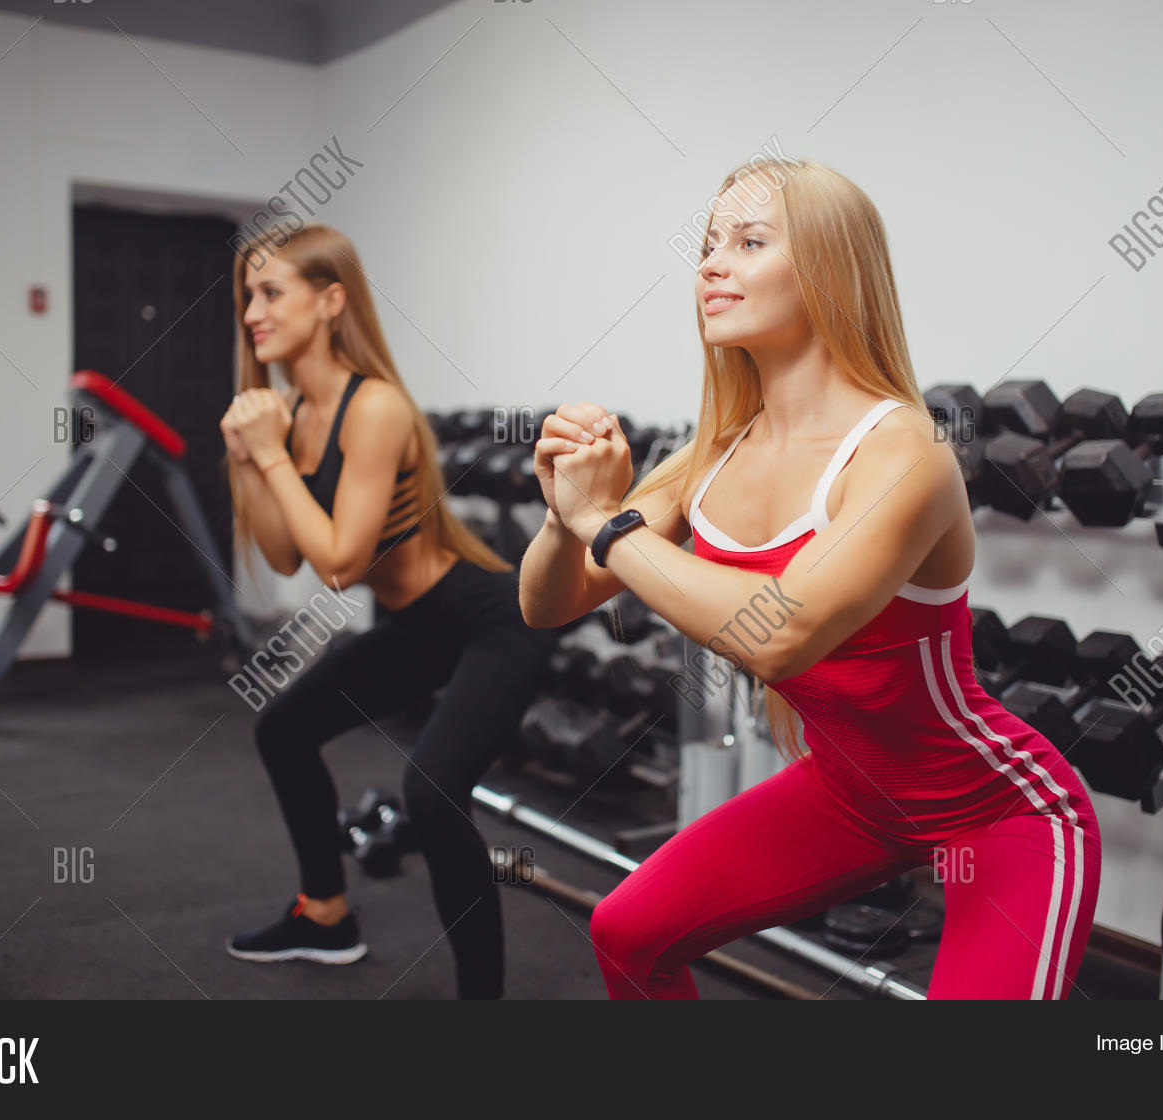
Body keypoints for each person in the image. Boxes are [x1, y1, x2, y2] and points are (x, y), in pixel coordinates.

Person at [518, 157, 1102, 999]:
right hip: (849, 795)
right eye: (710, 243)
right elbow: (548, 602)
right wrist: (559, 509)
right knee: (628, 932)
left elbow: (781, 636)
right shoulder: (712, 455)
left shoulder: (906, 452)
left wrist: (601, 523)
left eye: (750, 242)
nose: (711, 263)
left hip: (999, 812)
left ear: (830, 271)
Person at [220, 223, 562, 999]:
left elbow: (338, 563)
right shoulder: (292, 412)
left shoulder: (373, 407)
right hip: (417, 624)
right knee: (282, 729)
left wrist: (268, 455)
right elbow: (281, 556)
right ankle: (325, 915)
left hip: (491, 617)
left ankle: (483, 1000)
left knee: (431, 795)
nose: (252, 312)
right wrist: (250, 459)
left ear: (330, 300)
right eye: (248, 296)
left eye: (271, 292)